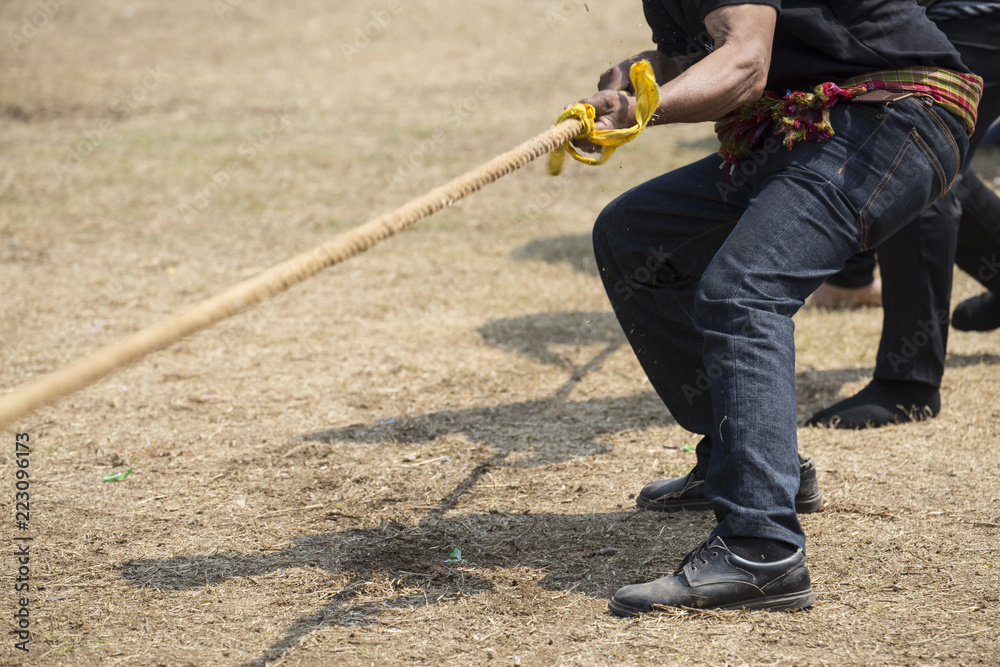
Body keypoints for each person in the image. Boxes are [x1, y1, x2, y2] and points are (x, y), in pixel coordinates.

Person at [573, 1, 980, 614]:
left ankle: (762, 549)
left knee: (743, 291)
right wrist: (641, 76)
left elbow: (743, 65)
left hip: (895, 115)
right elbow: (704, 55)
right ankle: (747, 462)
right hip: (809, 127)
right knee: (634, 236)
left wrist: (643, 111)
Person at [806, 0, 1000, 429]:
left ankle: (909, 384)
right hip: (927, 12)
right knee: (933, 157)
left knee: (908, 148)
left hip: (967, 14)